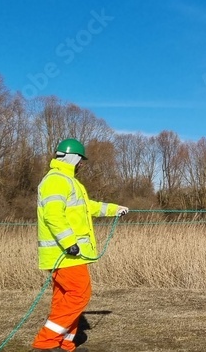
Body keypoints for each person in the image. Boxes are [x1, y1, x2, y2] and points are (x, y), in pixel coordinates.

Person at [32, 138, 129, 352]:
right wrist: (69, 242)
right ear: (73, 158)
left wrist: (114, 209)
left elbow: (87, 207)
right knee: (79, 293)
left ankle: (64, 344)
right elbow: (53, 215)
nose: (82, 164)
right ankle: (45, 343)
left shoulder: (69, 181)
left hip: (66, 253)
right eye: (81, 160)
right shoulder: (57, 180)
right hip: (64, 253)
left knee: (64, 297)